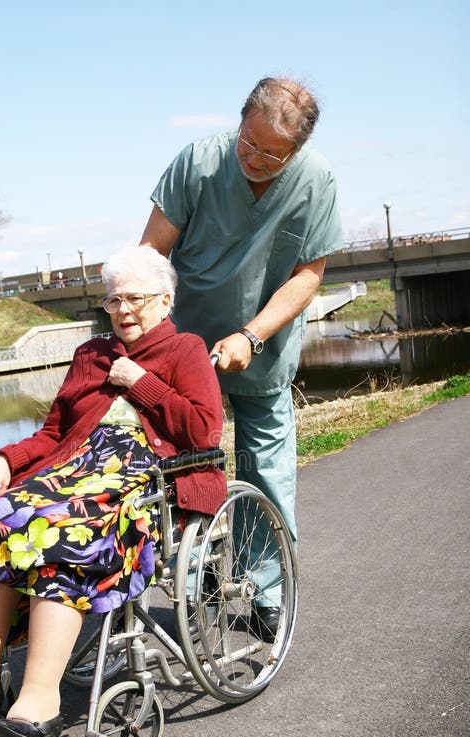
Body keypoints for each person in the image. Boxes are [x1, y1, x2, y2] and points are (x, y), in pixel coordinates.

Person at [0, 246, 225, 737]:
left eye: (135, 299)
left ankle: (41, 694)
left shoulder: (185, 349)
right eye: (113, 300)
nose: (122, 310)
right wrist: (6, 459)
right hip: (75, 469)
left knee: (62, 527)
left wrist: (142, 384)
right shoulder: (90, 356)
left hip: (146, 475)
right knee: (3, 516)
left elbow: (204, 433)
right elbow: (55, 433)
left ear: (165, 300)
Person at [141, 75, 342, 637]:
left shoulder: (316, 180)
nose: (255, 159)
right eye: (248, 144)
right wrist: (154, 341)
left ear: (296, 151)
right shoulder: (199, 163)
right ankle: (192, 582)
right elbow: (151, 255)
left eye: (273, 155)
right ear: (240, 123)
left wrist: (250, 336)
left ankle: (266, 594)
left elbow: (308, 276)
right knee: (182, 467)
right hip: (184, 349)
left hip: (262, 347)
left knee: (267, 473)